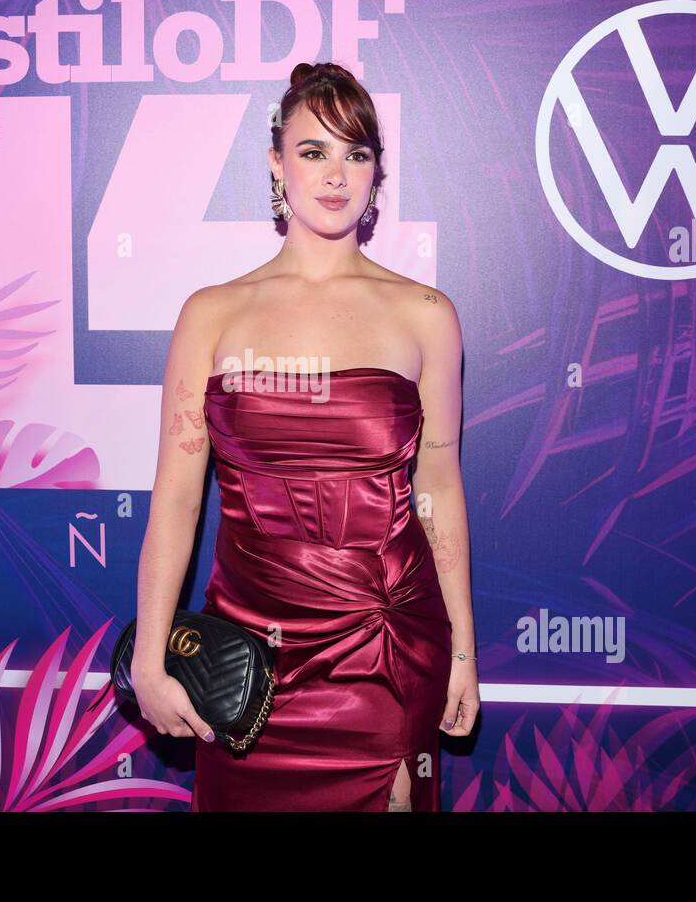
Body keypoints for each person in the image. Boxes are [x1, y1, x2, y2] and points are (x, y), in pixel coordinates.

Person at [130, 61, 477, 811]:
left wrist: (462, 655)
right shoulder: (212, 314)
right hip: (247, 663)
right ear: (275, 162)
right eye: (314, 150)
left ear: (377, 172)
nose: (335, 174)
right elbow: (177, 498)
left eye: (356, 153)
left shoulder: (426, 314)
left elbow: (438, 490)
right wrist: (150, 661)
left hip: (381, 651)